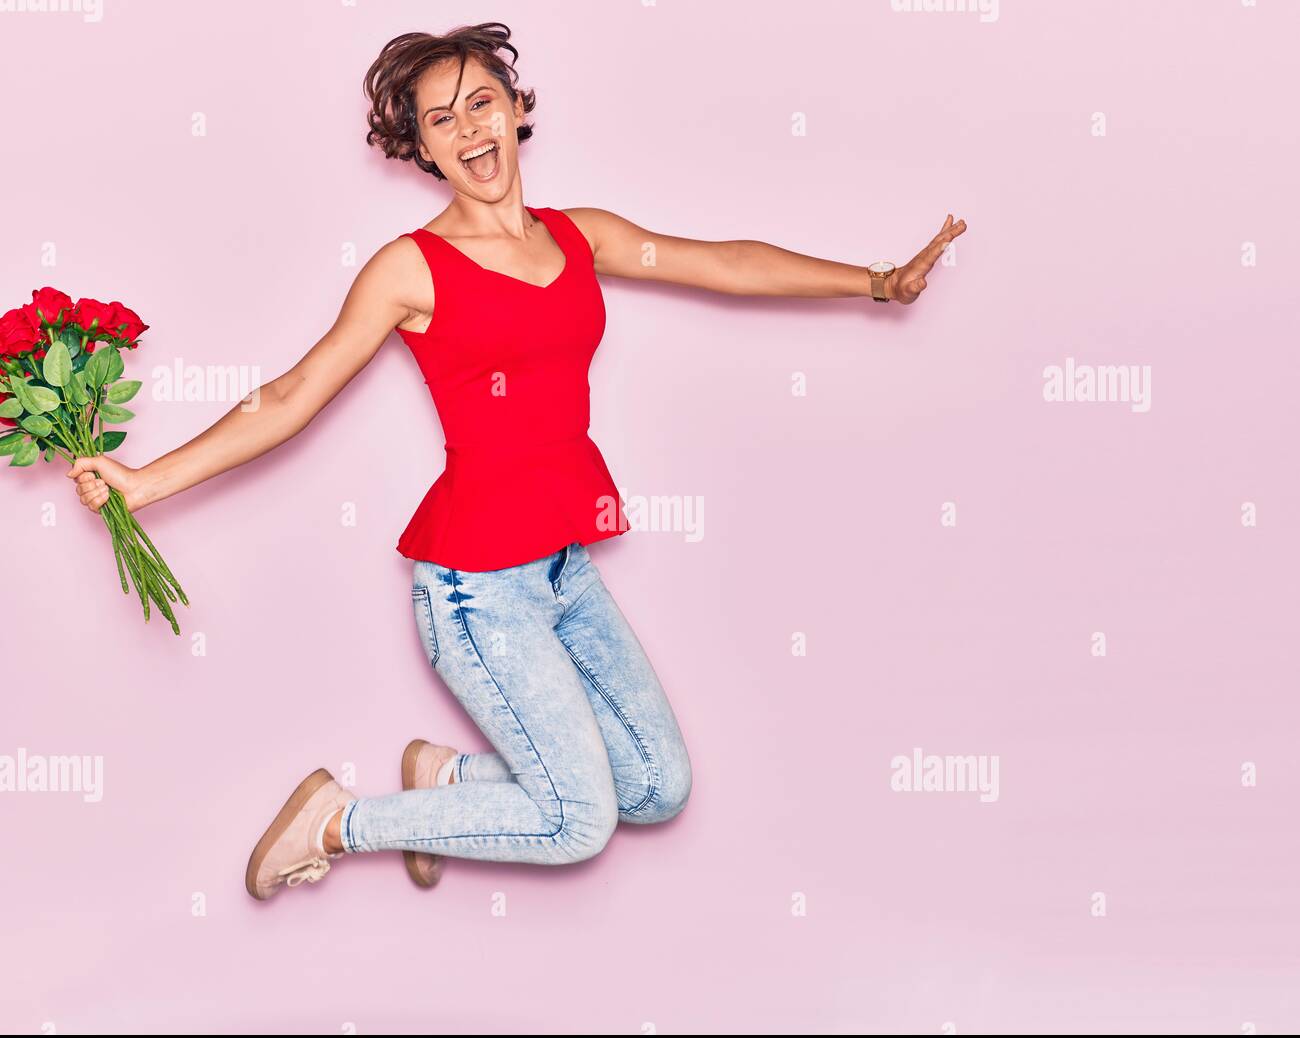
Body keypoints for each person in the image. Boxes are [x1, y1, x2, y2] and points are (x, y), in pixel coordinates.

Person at [66, 22, 967, 903]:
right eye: (440, 120)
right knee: (582, 824)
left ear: (516, 108)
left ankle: (449, 780)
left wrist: (878, 280)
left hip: (565, 567)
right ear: (419, 147)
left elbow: (725, 262)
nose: (469, 131)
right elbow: (295, 393)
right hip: (475, 589)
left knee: (657, 787)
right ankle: (340, 820)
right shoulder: (410, 269)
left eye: (481, 103)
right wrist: (147, 482)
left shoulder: (581, 237)